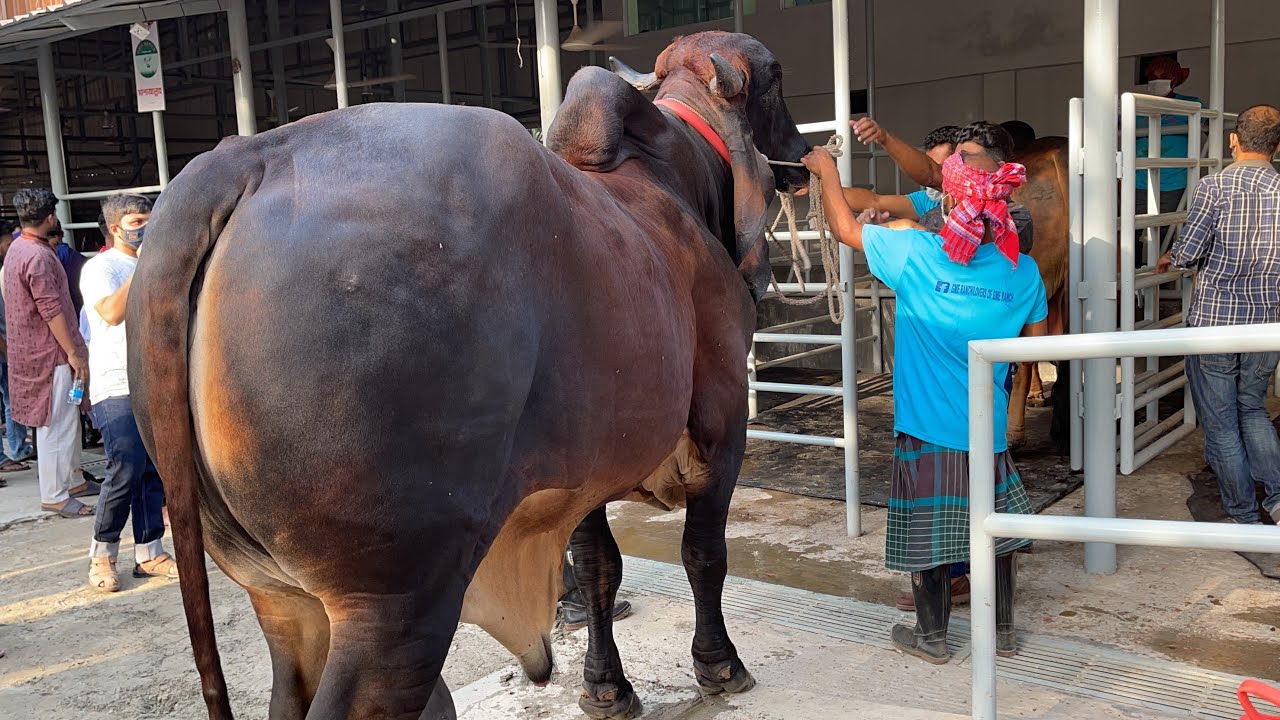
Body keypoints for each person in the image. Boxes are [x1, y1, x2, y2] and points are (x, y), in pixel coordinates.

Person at [802, 125, 1048, 664]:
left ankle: (932, 638)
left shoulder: (914, 253)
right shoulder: (1024, 272)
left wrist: (826, 171)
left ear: (955, 196)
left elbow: (844, 228)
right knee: (998, 534)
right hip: (986, 431)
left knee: (928, 536)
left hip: (924, 428)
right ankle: (1003, 633)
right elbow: (1032, 353)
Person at [1157, 104, 1280, 526]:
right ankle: (1279, 501)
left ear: (1233, 140)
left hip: (1214, 322)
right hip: (1268, 325)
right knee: (1254, 408)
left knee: (1223, 422)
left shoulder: (1214, 187)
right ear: (1277, 147)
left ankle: (1243, 515)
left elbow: (1187, 254)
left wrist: (1168, 257)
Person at [81, 194, 177, 591]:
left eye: (149, 220)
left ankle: (149, 550)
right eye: (138, 221)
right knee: (125, 468)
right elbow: (110, 313)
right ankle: (102, 554)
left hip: (152, 380)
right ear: (116, 228)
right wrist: (142, 270)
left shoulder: (152, 264)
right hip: (116, 383)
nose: (146, 228)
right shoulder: (101, 267)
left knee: (153, 469)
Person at [3, 188, 97, 517]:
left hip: (35, 350)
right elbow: (51, 309)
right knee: (55, 422)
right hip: (51, 353)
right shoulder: (39, 257)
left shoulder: (17, 249)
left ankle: (72, 480)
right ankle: (56, 493)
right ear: (50, 218)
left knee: (64, 419)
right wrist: (73, 351)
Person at [847, 119, 1035, 253]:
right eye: (954, 162)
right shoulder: (931, 211)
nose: (956, 169)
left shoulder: (1016, 218)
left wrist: (904, 230)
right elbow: (875, 202)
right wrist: (881, 232)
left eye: (965, 159)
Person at [1136, 57, 1203, 256]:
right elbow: (1117, 127)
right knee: (1133, 230)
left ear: (1174, 80)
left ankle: (1163, 278)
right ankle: (1135, 276)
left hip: (1174, 181)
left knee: (1167, 232)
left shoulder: (1191, 104)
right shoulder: (1138, 104)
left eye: (1163, 77)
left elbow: (1208, 124)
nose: (1157, 81)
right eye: (1152, 77)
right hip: (1140, 179)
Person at [0, 229, 34, 477]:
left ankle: (17, 448)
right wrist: (9, 354)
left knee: (11, 400)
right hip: (5, 351)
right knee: (11, 400)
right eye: (7, 242)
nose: (10, 246)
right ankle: (16, 450)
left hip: (7, 349)